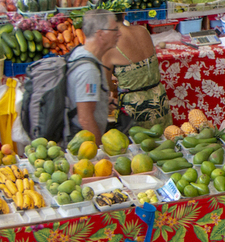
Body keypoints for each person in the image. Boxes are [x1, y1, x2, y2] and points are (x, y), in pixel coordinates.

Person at [105, 19, 170, 129]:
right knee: (165, 142)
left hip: (135, 108)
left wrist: (116, 87)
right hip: (159, 100)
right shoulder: (143, 30)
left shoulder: (110, 44)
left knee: (140, 144)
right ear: (124, 14)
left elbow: (106, 86)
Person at [66, 8, 119, 142]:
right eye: (114, 30)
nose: (118, 34)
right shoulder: (88, 70)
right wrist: (99, 149)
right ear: (100, 34)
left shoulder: (80, 52)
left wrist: (102, 102)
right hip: (83, 143)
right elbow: (85, 119)